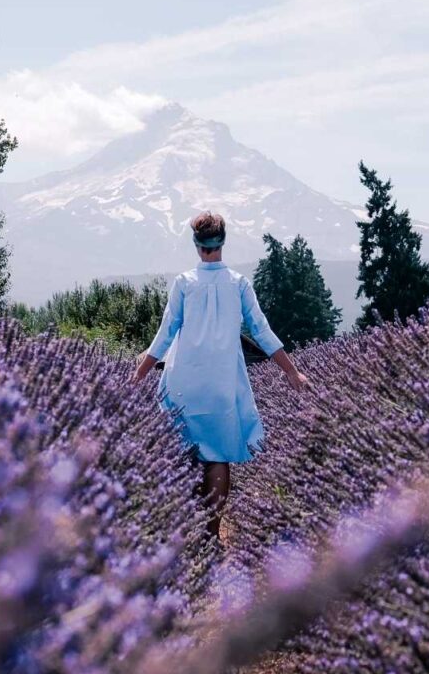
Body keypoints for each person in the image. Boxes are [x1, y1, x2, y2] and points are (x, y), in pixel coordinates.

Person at [131, 211, 308, 541]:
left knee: (180, 450)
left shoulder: (184, 284)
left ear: (197, 246)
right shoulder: (239, 284)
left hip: (183, 382)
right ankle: (211, 534)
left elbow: (165, 334)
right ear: (223, 242)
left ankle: (182, 526)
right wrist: (292, 372)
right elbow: (263, 332)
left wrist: (140, 372)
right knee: (217, 456)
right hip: (222, 385)